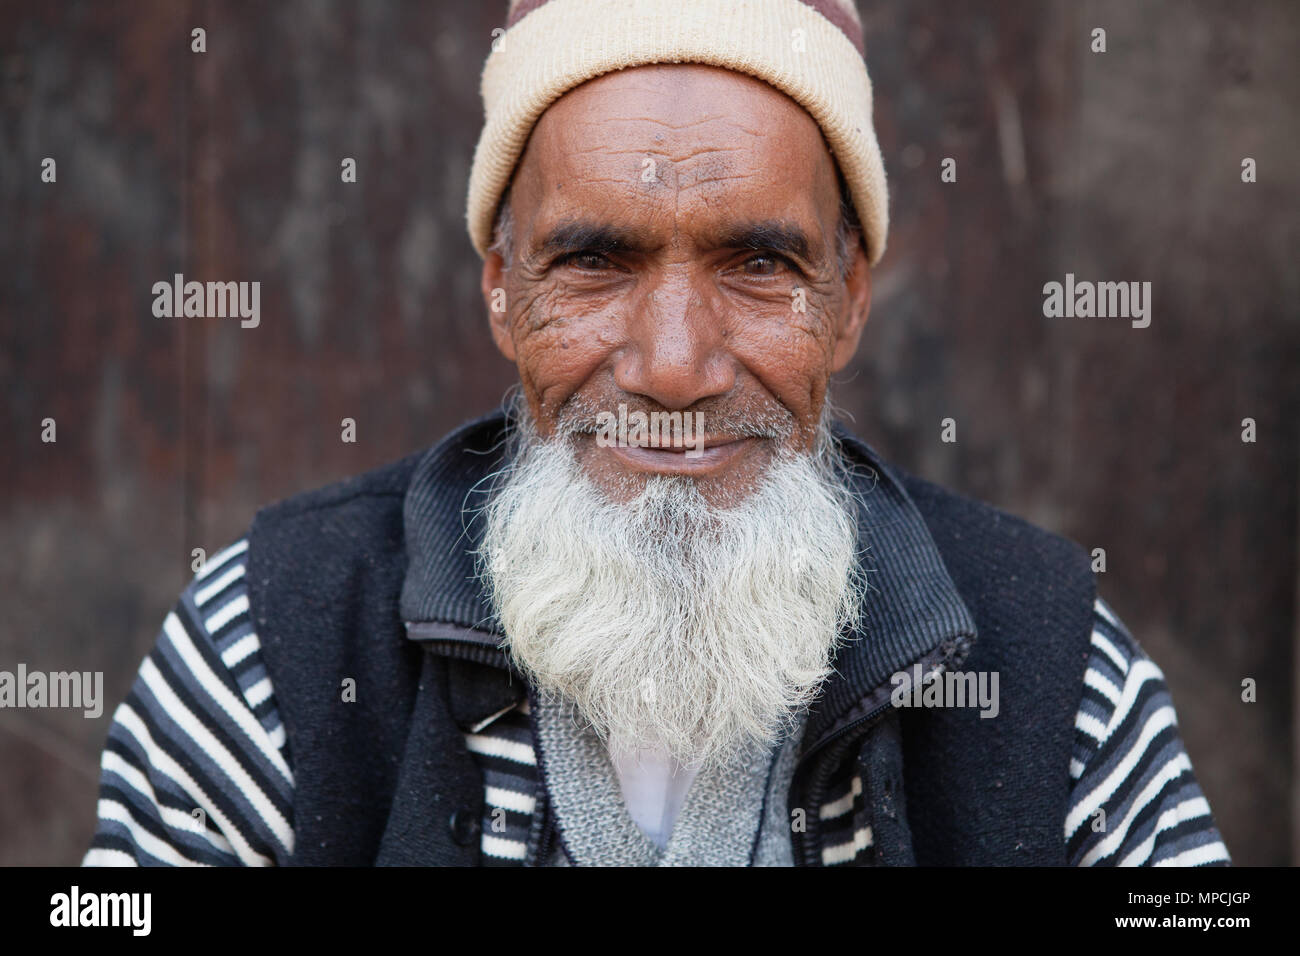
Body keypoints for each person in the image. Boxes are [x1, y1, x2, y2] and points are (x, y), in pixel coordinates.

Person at [83, 0, 1229, 867]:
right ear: (498, 290)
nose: (674, 364)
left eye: (758, 263)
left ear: (849, 296)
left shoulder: (1052, 672)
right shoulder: (268, 654)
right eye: (594, 261)